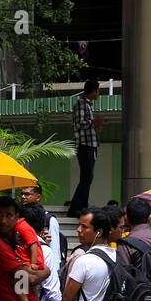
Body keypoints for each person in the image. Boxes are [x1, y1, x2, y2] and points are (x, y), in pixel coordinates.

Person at [67, 80, 103, 215]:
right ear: (93, 90)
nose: (99, 93)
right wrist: (94, 122)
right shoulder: (81, 104)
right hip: (85, 145)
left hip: (90, 145)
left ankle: (82, 206)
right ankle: (76, 207)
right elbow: (79, 124)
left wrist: (97, 124)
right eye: (98, 90)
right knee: (87, 177)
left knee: (87, 177)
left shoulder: (87, 105)